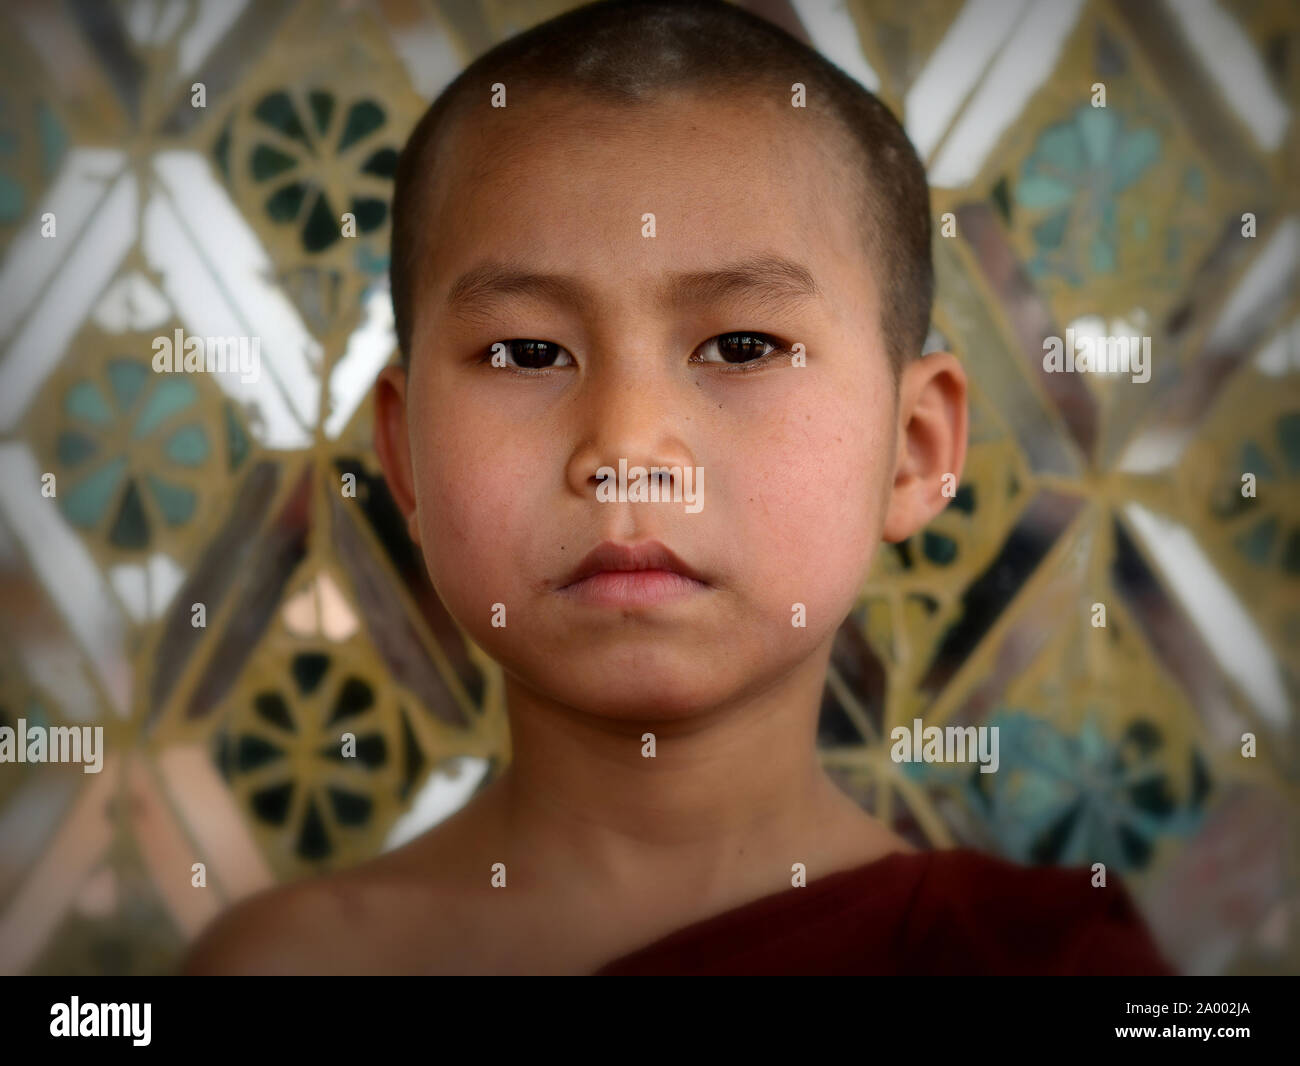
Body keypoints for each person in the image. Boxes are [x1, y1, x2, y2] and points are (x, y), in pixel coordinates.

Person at [182, 0, 1172, 976]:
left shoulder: (1038, 961)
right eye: (527, 351)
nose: (623, 449)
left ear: (911, 451)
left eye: (741, 345)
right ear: (404, 454)